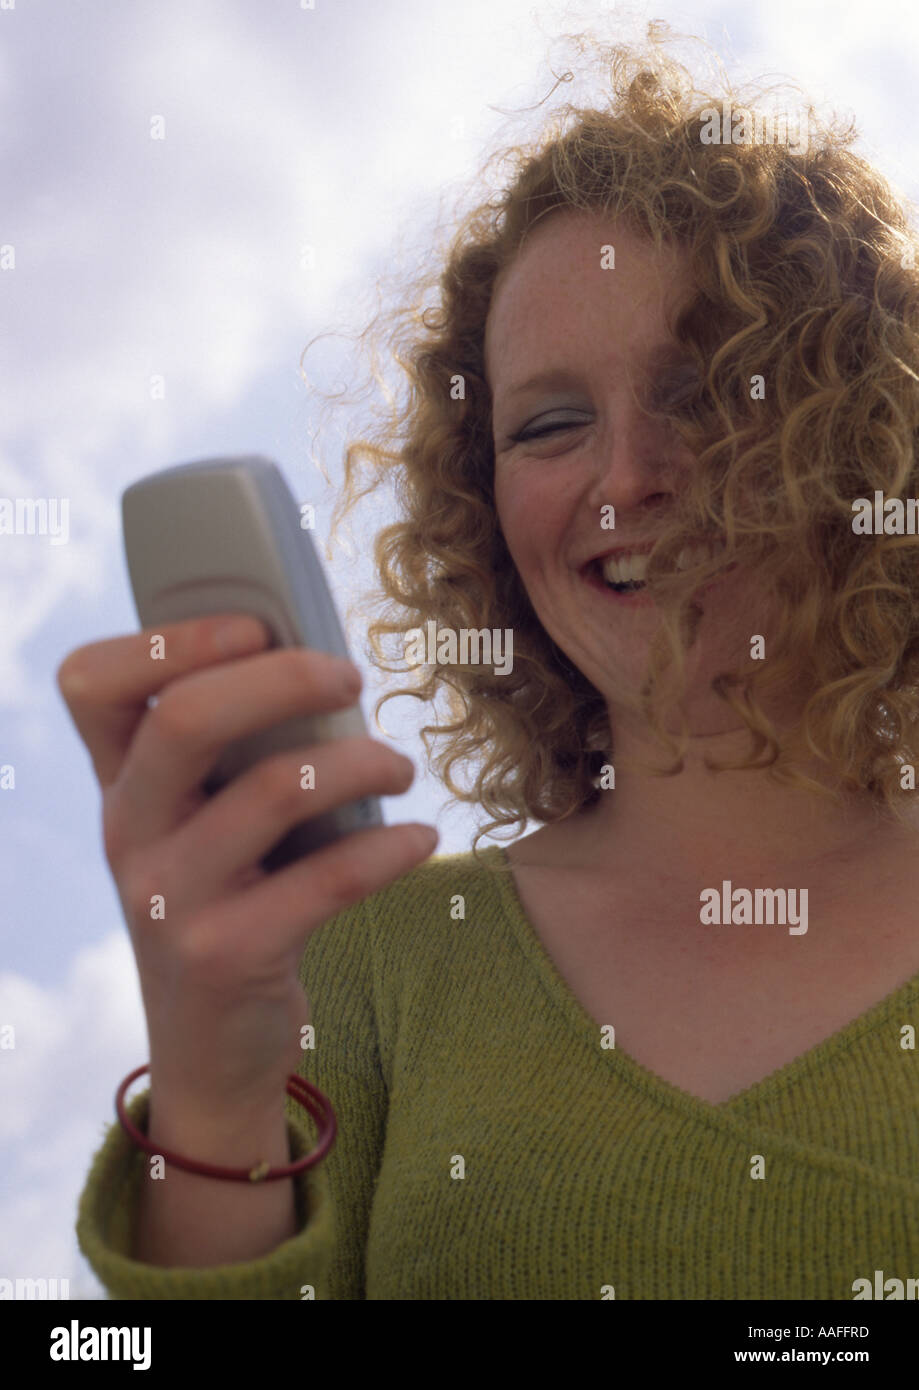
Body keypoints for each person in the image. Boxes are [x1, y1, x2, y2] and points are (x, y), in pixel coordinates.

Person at [61, 30, 919, 1299]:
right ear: (483, 509)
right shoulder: (358, 961)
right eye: (550, 424)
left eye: (700, 392)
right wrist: (207, 1081)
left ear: (860, 436)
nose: (625, 476)